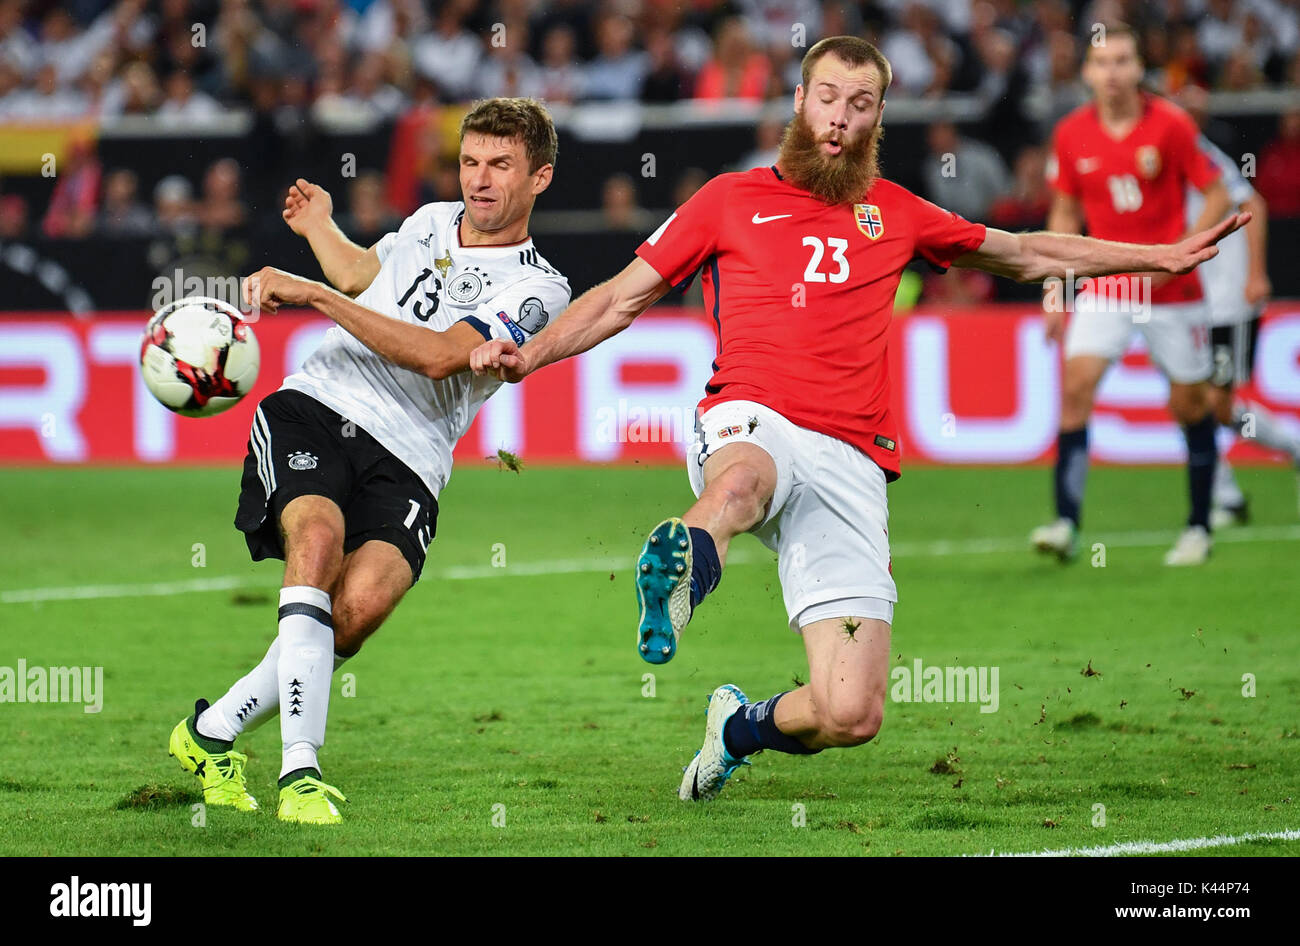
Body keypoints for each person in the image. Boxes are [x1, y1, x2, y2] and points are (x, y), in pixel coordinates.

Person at [469, 37, 1246, 802]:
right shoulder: (730, 200)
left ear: (878, 119)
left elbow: (1027, 252)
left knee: (850, 712)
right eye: (829, 98)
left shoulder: (898, 213)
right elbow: (619, 296)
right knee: (738, 485)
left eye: (861, 104)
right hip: (751, 414)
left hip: (851, 458)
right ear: (800, 104)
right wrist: (530, 354)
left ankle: (736, 729)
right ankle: (676, 586)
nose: (841, 117)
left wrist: (1159, 256)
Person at [167, 98, 570, 824]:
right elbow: (365, 279)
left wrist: (312, 293)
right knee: (315, 545)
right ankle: (300, 774)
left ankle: (209, 733)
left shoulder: (540, 288)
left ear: (539, 177)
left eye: (500, 166)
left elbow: (444, 355)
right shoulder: (427, 221)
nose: (480, 180)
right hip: (319, 405)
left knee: (352, 614)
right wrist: (320, 230)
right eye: (471, 161)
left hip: (413, 457)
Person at [1030, 24, 1232, 566]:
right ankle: (1067, 523)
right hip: (1108, 283)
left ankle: (1198, 528)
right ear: (1088, 73)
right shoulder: (1071, 134)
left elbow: (1216, 192)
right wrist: (1055, 289)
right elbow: (1065, 214)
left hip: (1173, 289)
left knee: (1190, 404)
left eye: (1123, 60)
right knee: (1076, 386)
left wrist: (1184, 250)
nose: (1113, 72)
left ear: (1139, 68)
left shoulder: (1170, 124)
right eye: (1103, 62)